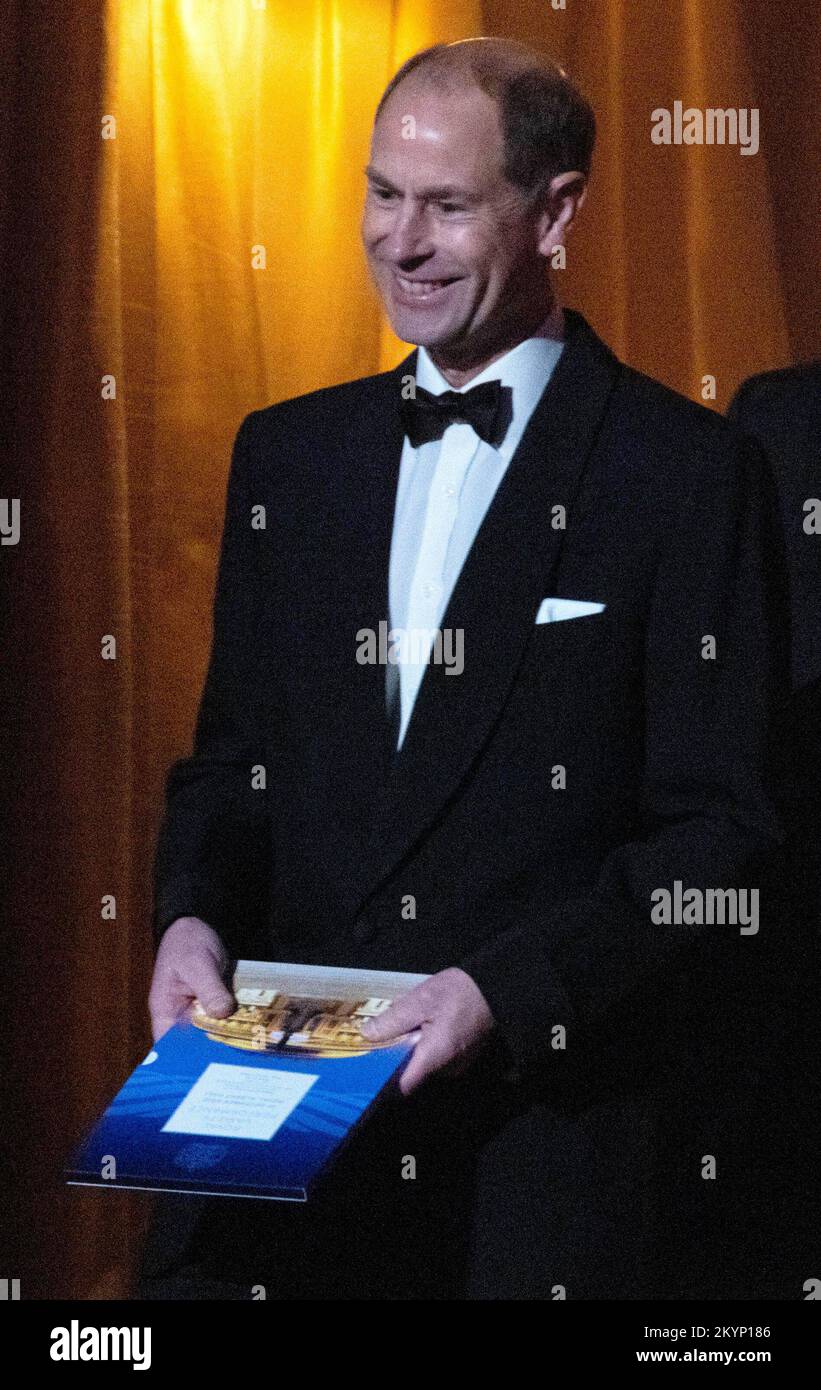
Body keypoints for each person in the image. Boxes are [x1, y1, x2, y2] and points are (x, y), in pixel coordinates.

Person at [141, 38, 794, 1300]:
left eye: (446, 205)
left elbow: (722, 834)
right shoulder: (287, 458)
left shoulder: (686, 474)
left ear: (555, 213)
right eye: (382, 195)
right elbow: (230, 763)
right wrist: (189, 914)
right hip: (276, 1164)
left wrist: (500, 994)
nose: (402, 240)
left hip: (530, 1165)